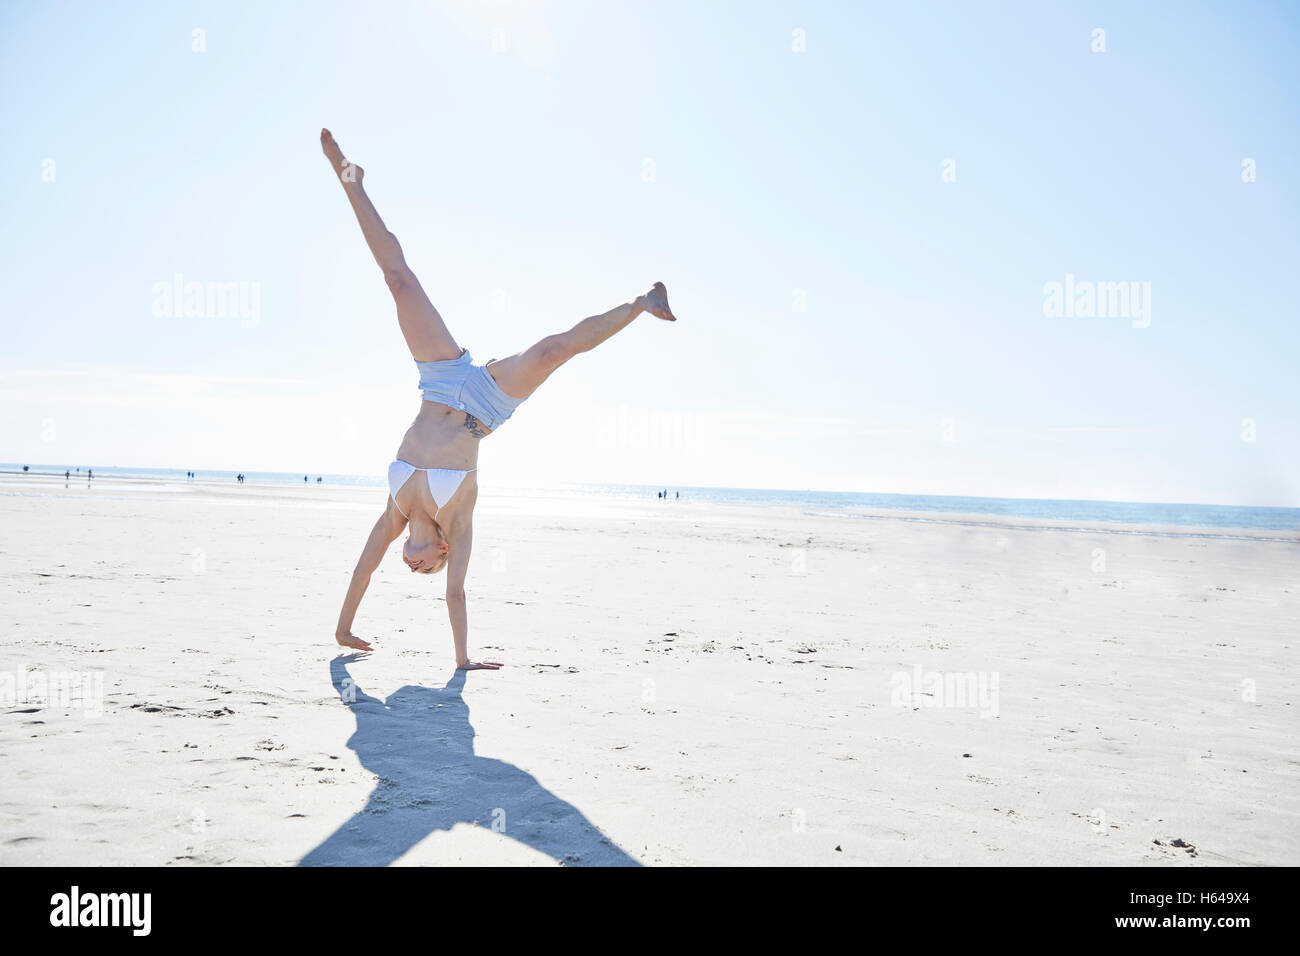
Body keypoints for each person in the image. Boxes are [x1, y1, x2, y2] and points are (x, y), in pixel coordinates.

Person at [320, 129, 677, 670]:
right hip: (486, 404)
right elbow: (457, 595)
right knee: (554, 351)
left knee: (399, 281)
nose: (415, 570)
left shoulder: (393, 514)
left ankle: (351, 182)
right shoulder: (458, 524)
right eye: (428, 569)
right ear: (441, 553)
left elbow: (361, 571)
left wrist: (344, 630)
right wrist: (462, 661)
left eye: (411, 569)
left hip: (439, 381)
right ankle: (643, 304)